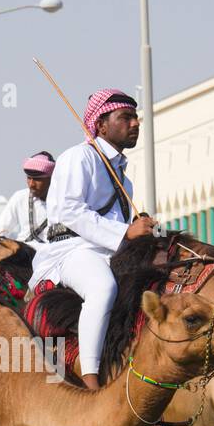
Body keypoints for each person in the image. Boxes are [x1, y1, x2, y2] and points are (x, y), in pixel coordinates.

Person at [29, 89, 155, 390]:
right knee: (103, 287)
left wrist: (141, 230)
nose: (135, 123)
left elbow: (119, 227)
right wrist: (124, 232)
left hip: (107, 250)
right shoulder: (79, 157)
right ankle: (90, 378)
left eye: (135, 117)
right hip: (71, 250)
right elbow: (69, 211)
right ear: (100, 125)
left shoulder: (125, 180)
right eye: (125, 118)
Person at [0, 152, 55, 243]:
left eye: (37, 179)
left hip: (53, 252)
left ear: (51, 178)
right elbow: (0, 231)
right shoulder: (19, 197)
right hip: (24, 252)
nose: (31, 184)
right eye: (29, 178)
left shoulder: (63, 201)